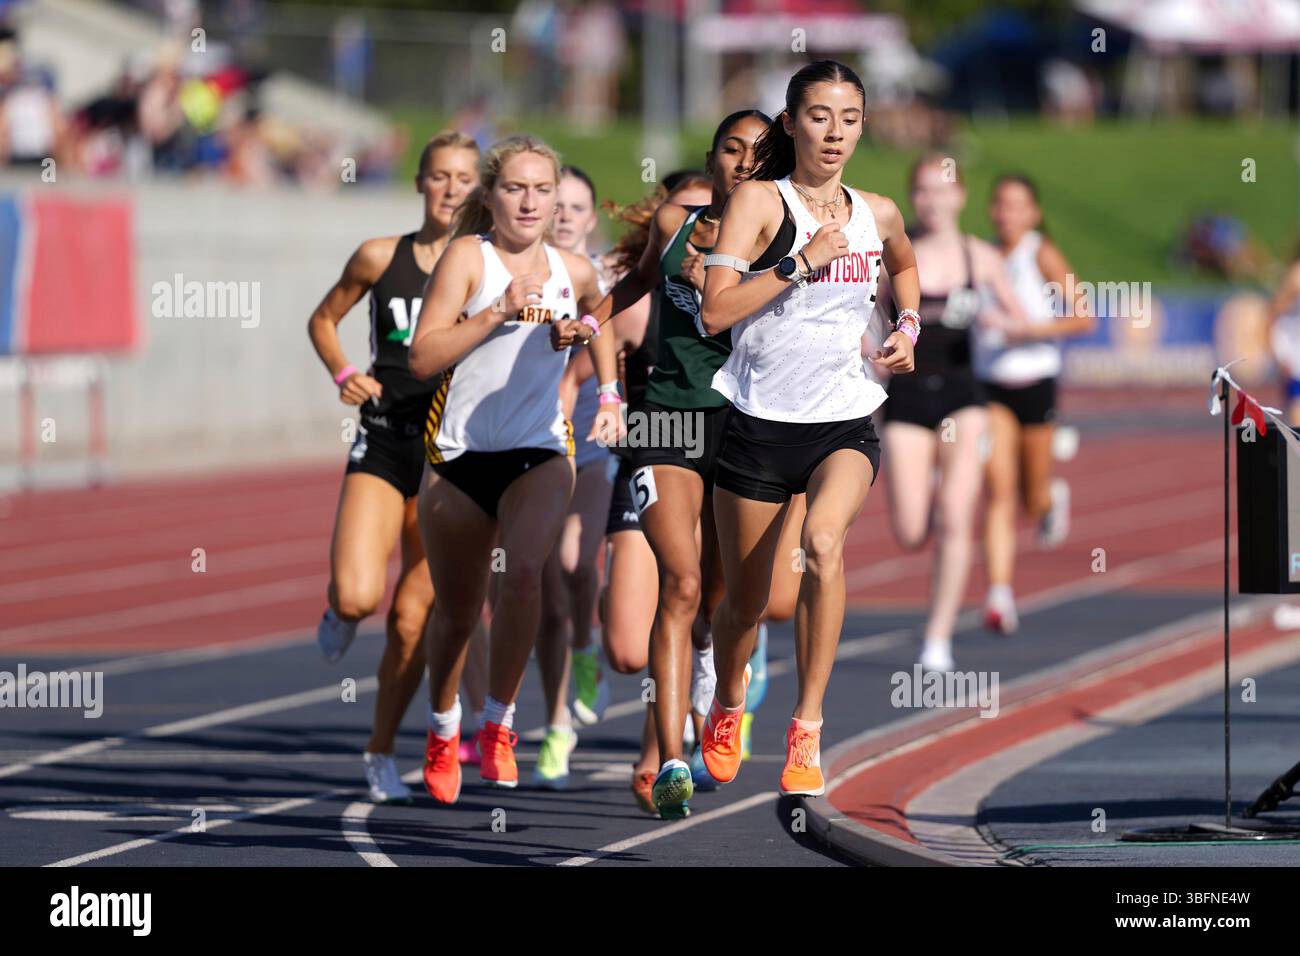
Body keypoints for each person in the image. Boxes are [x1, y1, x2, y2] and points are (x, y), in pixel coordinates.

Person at [698, 59, 917, 798]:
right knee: (744, 605)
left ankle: (809, 725)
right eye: (819, 116)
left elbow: (906, 268)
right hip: (760, 427)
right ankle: (729, 701)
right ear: (791, 123)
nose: (834, 132)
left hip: (843, 422)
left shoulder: (877, 211)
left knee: (825, 544)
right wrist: (799, 261)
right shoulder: (761, 200)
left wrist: (908, 324)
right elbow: (716, 311)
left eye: (849, 118)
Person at [409, 134, 621, 802]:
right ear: (491, 197)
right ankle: (446, 725)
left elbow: (600, 318)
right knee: (458, 609)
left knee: (527, 574)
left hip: (538, 448)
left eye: (541, 189)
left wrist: (606, 389)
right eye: (514, 188)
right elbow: (422, 357)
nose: (529, 203)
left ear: (557, 196)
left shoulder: (574, 270)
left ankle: (500, 721)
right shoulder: (466, 260)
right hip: (459, 453)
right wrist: (498, 310)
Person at [307, 130, 481, 803]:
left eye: (464, 178)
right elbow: (323, 319)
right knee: (356, 595)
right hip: (384, 438)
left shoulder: (489, 268)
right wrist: (344, 371)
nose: (450, 190)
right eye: (439, 176)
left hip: (452, 452)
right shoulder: (381, 256)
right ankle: (340, 611)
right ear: (419, 182)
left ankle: (381, 751)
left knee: (412, 622)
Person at [877, 153, 1027, 672]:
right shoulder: (894, 254)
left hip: (962, 396)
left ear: (960, 196)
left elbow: (1019, 320)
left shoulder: (980, 258)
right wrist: (870, 356)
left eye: (941, 191)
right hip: (908, 397)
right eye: (921, 191)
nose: (932, 201)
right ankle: (930, 498)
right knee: (910, 527)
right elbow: (866, 318)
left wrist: (997, 321)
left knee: (956, 516)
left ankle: (937, 638)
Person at [977, 173, 1095, 633]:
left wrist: (1028, 330)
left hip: (1036, 383)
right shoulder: (982, 254)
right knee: (998, 490)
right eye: (1000, 204)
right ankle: (999, 595)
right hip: (990, 387)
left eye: (1017, 205)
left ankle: (1051, 501)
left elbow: (1083, 317)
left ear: (1033, 213)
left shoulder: (1040, 252)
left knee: (1032, 495)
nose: (1006, 213)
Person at [530, 164, 616, 788]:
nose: (563, 214)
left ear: (591, 218)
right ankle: (557, 723)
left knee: (576, 565)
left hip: (588, 446)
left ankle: (587, 649)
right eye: (555, 203)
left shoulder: (607, 279)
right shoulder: (520, 272)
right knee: (541, 594)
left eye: (575, 206)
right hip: (529, 444)